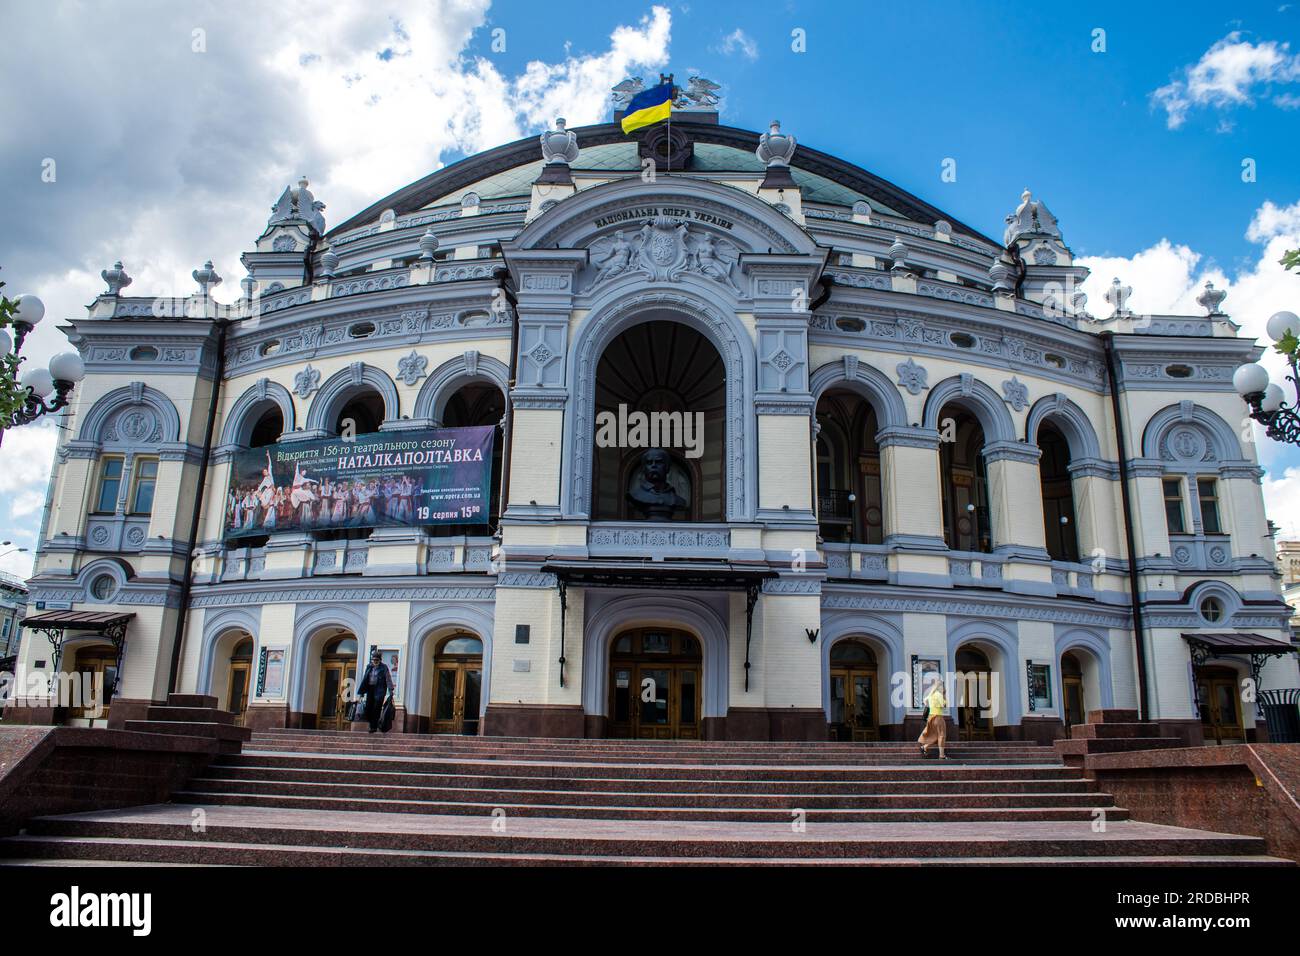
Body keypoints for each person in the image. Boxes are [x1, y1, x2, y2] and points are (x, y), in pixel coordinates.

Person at [355, 648, 394, 734]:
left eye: (376, 660)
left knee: (376, 708)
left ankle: (373, 727)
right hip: (370, 689)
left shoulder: (384, 667)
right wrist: (361, 692)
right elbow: (365, 679)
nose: (375, 661)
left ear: (380, 660)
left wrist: (391, 689)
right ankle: (372, 723)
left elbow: (388, 678)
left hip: (379, 690)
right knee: (368, 708)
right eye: (373, 660)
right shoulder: (369, 666)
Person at [918, 678, 949, 759]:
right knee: (942, 735)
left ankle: (924, 747)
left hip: (931, 717)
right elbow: (943, 705)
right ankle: (942, 755)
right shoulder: (939, 694)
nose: (943, 687)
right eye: (942, 686)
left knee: (935, 735)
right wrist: (944, 697)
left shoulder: (931, 694)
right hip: (938, 717)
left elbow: (925, 701)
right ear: (939, 686)